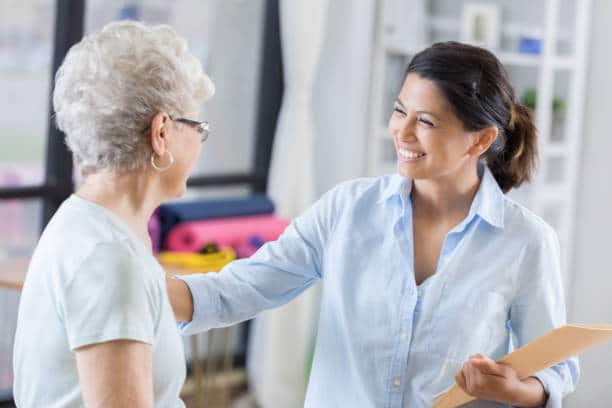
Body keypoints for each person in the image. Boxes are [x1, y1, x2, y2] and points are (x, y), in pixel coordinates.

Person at [167, 41, 579, 407]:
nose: (403, 132)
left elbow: (555, 372)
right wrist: (141, 288)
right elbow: (241, 288)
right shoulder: (346, 210)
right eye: (400, 111)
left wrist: (512, 391)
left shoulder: (526, 241)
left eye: (427, 122)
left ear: (480, 140)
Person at [13, 21, 214, 407]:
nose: (200, 142)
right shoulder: (109, 258)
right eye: (198, 127)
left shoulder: (94, 225)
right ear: (162, 133)